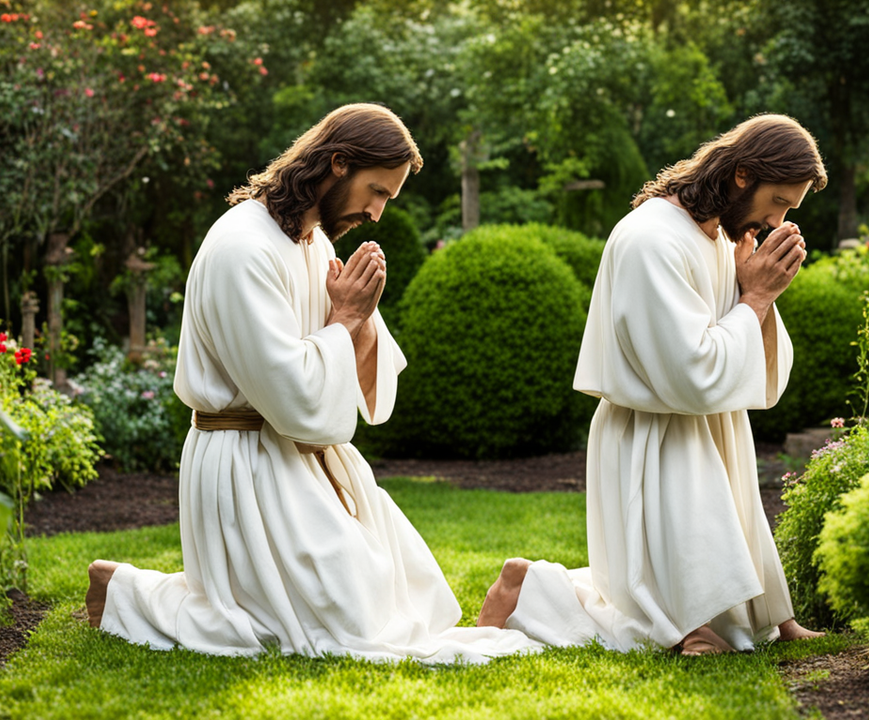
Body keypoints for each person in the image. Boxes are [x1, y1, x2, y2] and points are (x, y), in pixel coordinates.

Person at [84, 104, 539, 663]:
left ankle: (139, 591)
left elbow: (361, 373)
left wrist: (363, 314)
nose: (376, 213)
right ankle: (129, 593)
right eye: (376, 191)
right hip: (246, 460)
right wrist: (346, 318)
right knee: (328, 632)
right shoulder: (241, 248)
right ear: (337, 163)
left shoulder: (313, 240)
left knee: (393, 600)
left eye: (387, 200)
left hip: (302, 456)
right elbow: (293, 398)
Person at [477, 114, 828, 655]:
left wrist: (756, 290)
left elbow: (736, 352)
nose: (778, 219)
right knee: (653, 616)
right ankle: (529, 588)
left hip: (708, 423)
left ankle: (771, 618)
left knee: (734, 557)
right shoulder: (651, 238)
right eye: (777, 201)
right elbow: (688, 372)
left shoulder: (715, 234)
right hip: (655, 432)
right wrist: (755, 298)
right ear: (742, 177)